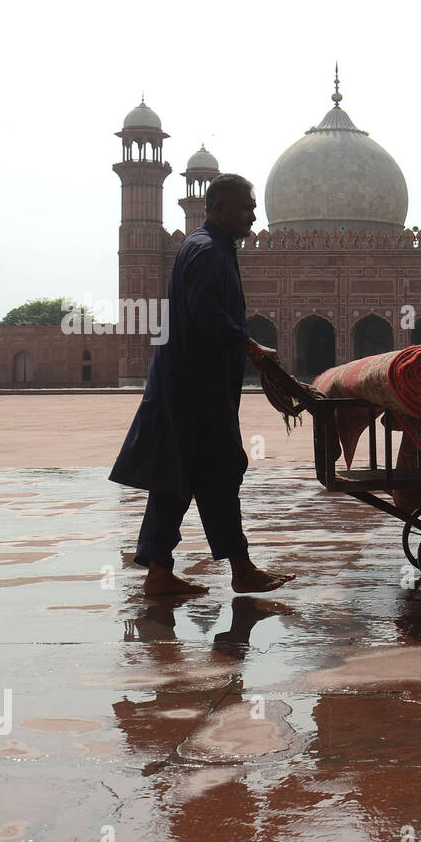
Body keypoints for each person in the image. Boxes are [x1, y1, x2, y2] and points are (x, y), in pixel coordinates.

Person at [110, 173, 294, 596]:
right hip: (194, 390)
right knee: (216, 473)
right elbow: (207, 312)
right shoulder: (207, 250)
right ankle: (239, 569)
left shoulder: (214, 248)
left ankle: (165, 572)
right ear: (218, 208)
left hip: (195, 386)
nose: (252, 214)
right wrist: (250, 345)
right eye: (245, 206)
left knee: (183, 477)